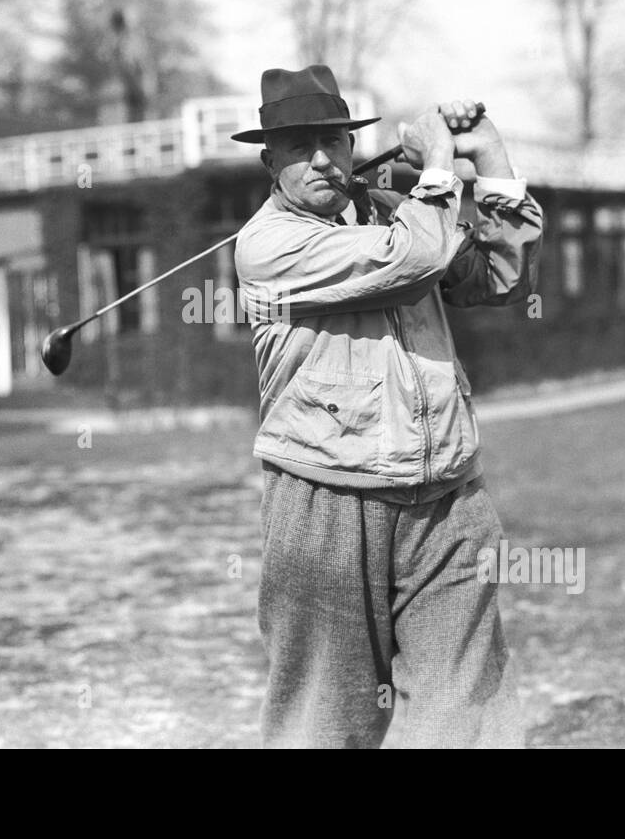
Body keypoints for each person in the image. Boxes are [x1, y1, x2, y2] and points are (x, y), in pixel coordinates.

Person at [233, 65, 544, 748]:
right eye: (298, 146)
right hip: (326, 508)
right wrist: (436, 167)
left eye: (335, 141)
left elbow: (496, 276)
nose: (322, 158)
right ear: (268, 162)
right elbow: (414, 259)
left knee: (461, 714)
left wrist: (486, 156)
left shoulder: (392, 208)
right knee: (326, 722)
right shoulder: (269, 247)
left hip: (448, 504)